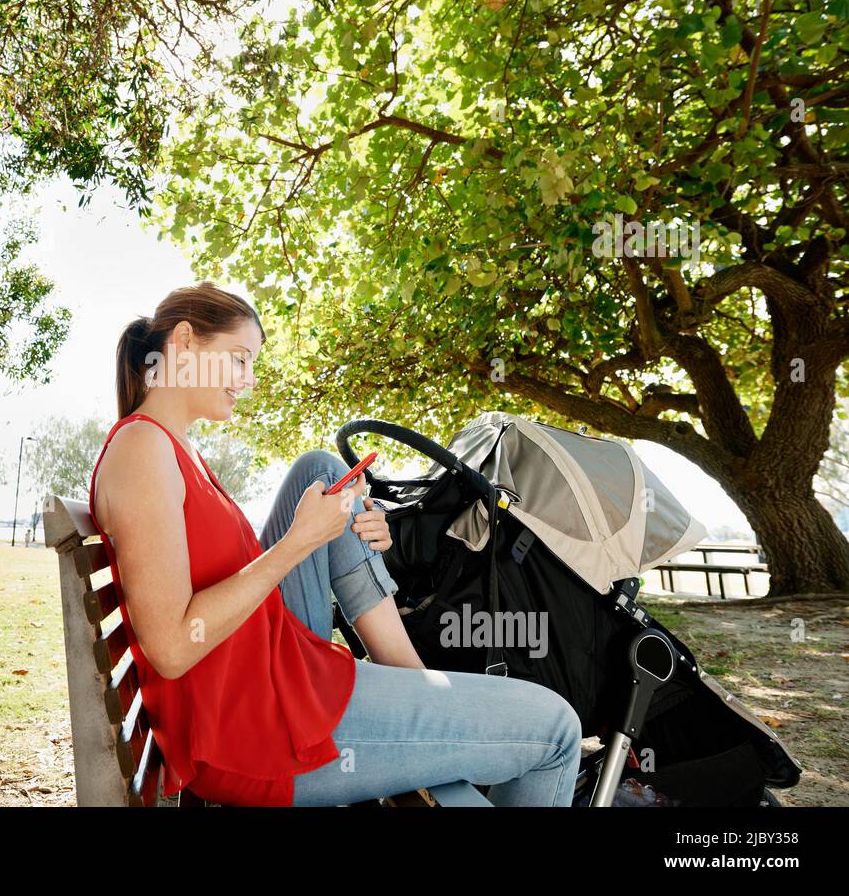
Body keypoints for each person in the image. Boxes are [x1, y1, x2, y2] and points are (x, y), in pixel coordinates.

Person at [89, 281, 582, 807]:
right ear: (185, 341)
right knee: (556, 728)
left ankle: (413, 679)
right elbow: (170, 647)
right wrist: (300, 542)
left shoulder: (172, 448)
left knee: (322, 470)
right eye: (239, 359)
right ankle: (423, 693)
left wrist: (342, 529)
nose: (248, 381)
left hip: (274, 679)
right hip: (260, 733)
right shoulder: (144, 448)